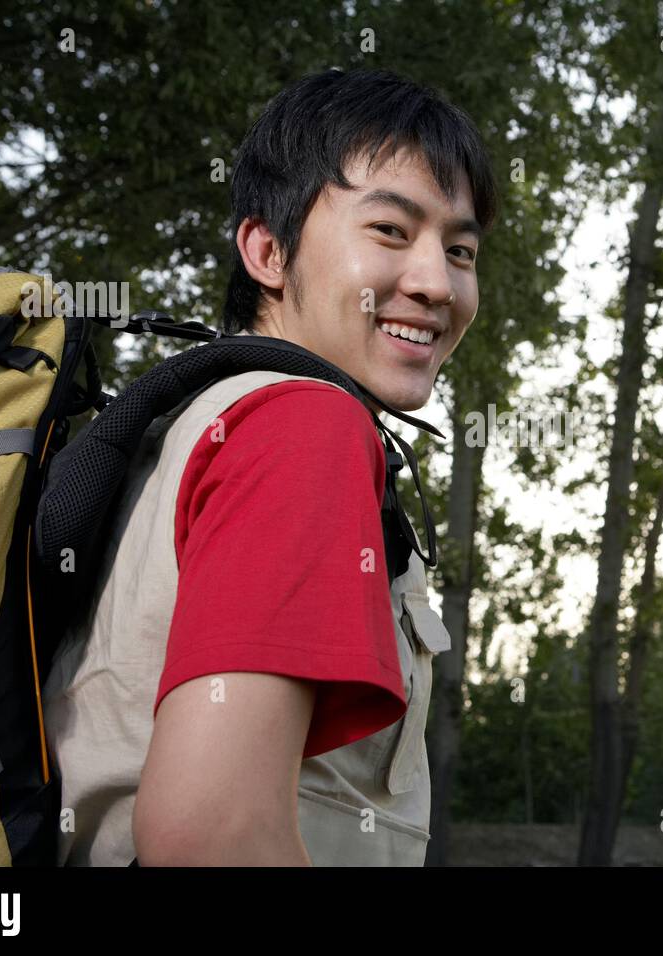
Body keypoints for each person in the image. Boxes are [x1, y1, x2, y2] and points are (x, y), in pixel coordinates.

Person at [41, 67, 498, 865]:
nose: (437, 284)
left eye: (459, 249)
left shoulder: (197, 422)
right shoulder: (302, 426)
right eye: (390, 231)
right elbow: (213, 836)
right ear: (267, 250)